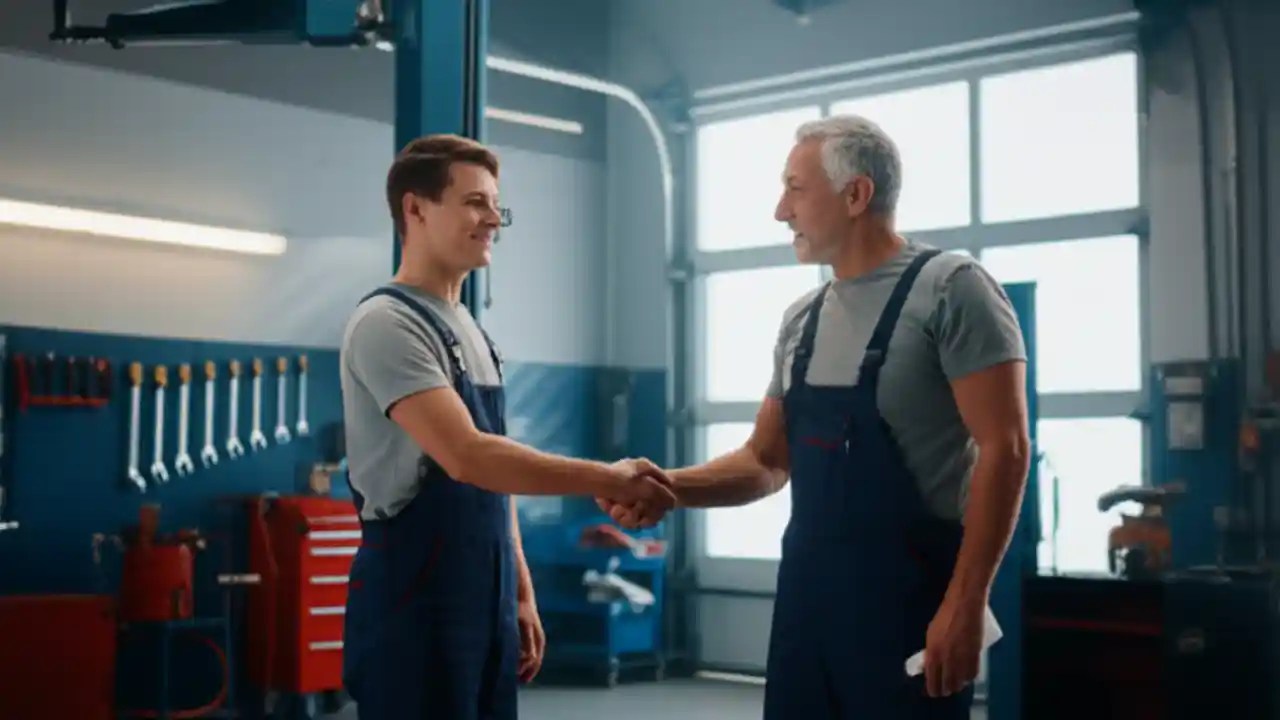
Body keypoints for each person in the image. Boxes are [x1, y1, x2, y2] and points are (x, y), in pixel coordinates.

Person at [602, 115, 1031, 718]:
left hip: (909, 605)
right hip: (809, 604)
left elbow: (1005, 449)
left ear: (856, 195)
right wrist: (670, 489)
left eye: (795, 189)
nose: (781, 211)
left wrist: (966, 603)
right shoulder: (801, 319)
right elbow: (766, 461)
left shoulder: (952, 290)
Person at [338, 134, 676, 720]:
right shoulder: (386, 323)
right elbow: (469, 457)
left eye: (497, 206)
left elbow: (497, 478)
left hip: (482, 590)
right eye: (475, 202)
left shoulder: (472, 331)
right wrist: (610, 478)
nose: (494, 219)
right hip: (416, 599)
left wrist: (517, 590)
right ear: (415, 209)